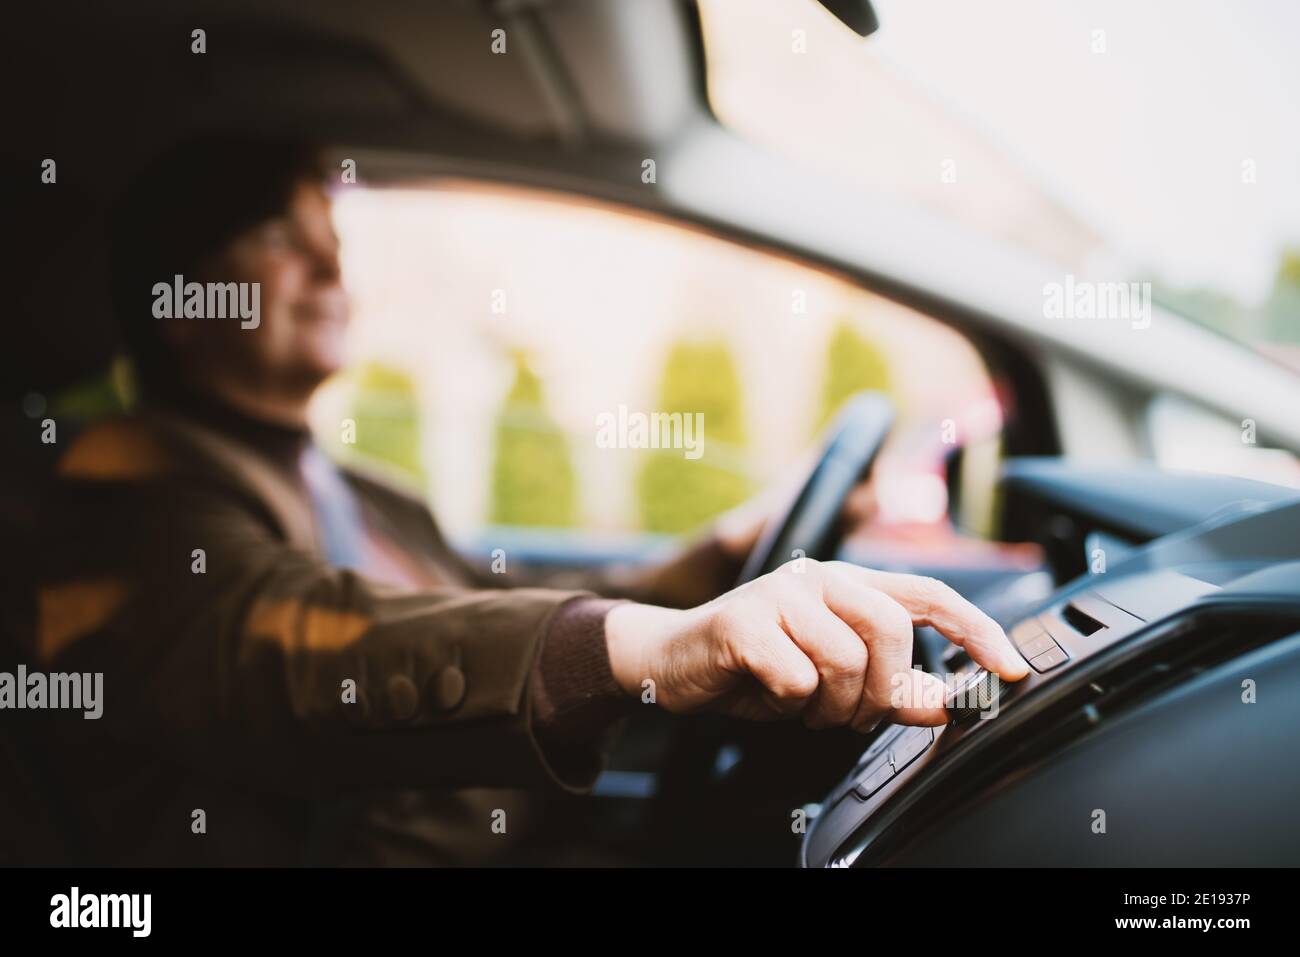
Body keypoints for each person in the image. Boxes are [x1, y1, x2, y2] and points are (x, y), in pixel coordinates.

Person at [29, 138, 1027, 865]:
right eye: (279, 239)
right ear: (176, 296)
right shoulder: (125, 486)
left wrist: (729, 551)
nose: (332, 267)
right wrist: (646, 651)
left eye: (328, 237)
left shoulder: (355, 488)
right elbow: (287, 643)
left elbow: (504, 597)